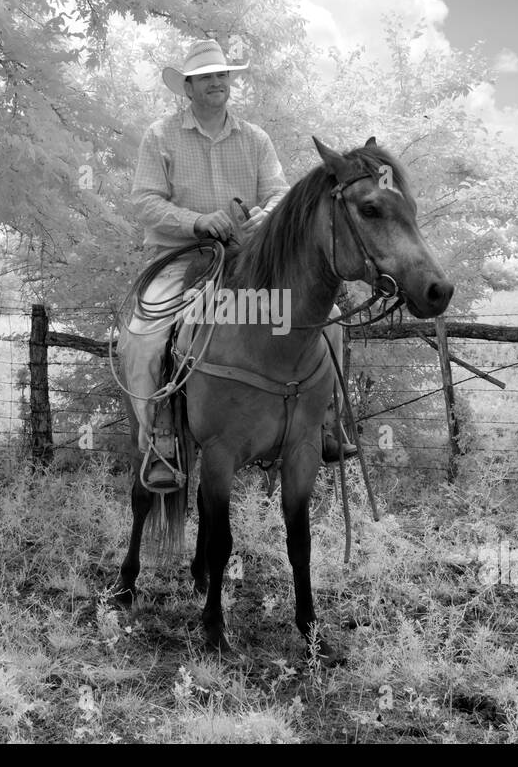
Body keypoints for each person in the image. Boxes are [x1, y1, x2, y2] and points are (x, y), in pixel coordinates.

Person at [119, 39, 353, 491]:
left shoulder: (255, 138)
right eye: (206, 77)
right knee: (146, 336)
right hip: (180, 257)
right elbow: (144, 201)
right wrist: (197, 221)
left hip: (249, 259)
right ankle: (160, 440)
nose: (216, 83)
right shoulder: (160, 136)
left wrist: (263, 219)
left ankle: (326, 422)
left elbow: (280, 194)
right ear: (187, 88)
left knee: (333, 321)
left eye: (222, 75)